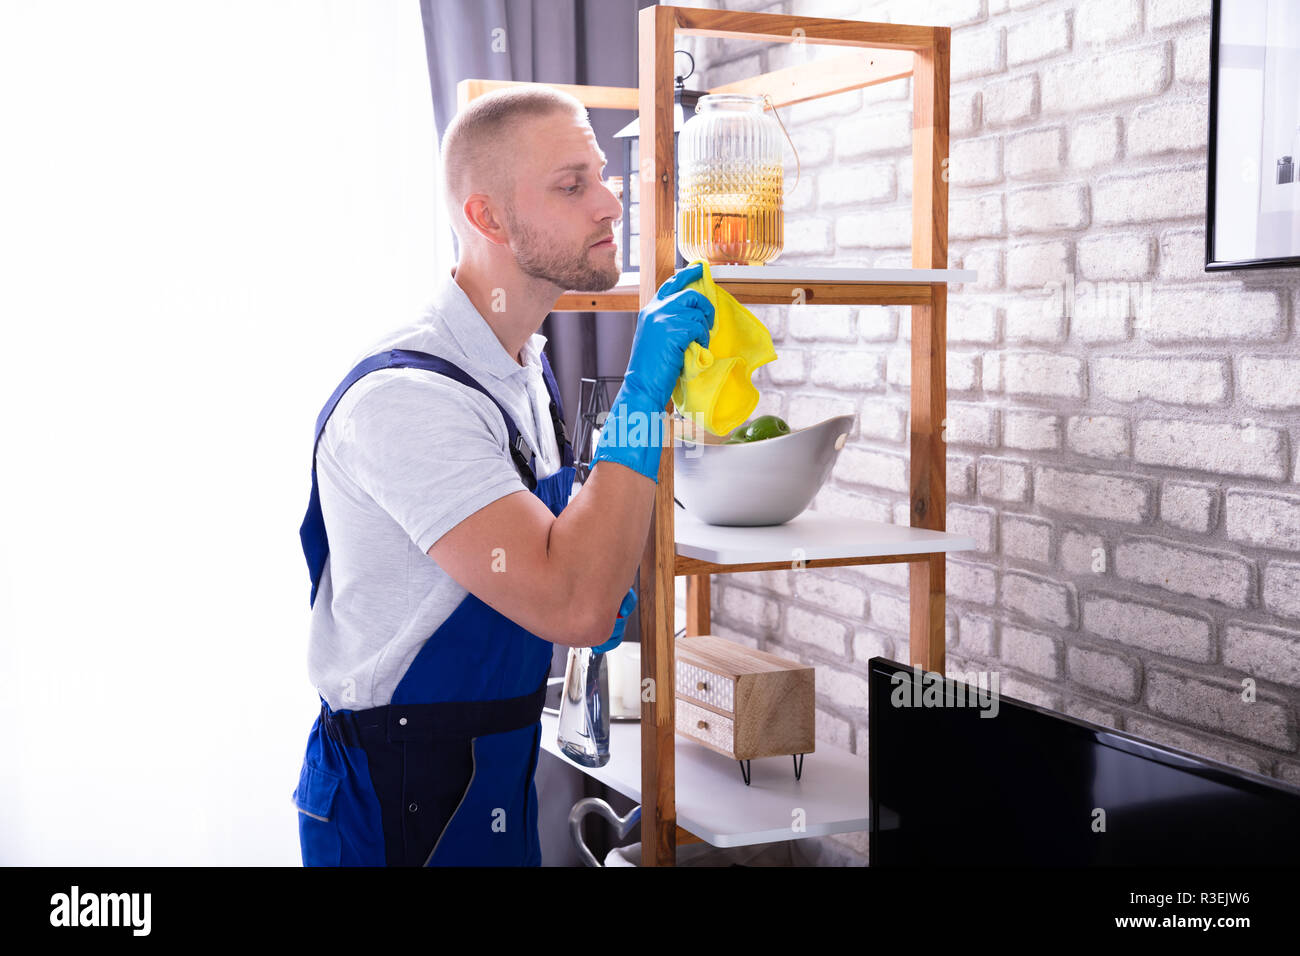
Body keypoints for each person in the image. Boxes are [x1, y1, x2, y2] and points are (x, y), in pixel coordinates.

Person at [291, 85, 714, 866]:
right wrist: (646, 394)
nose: (610, 206)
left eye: (602, 175)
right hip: (399, 797)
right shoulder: (409, 400)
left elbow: (561, 564)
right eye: (571, 185)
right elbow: (574, 601)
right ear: (485, 218)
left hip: (498, 772)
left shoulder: (524, 370)